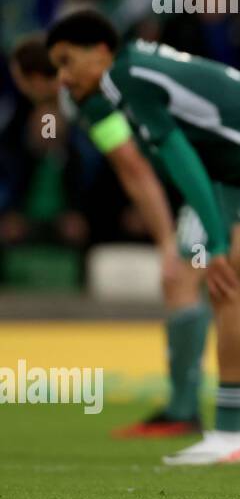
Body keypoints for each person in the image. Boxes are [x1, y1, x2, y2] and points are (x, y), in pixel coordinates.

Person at [46, 9, 240, 466]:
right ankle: (238, 435)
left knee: (228, 284)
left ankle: (232, 436)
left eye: (67, 62)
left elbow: (183, 161)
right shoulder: (133, 68)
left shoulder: (127, 79)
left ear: (100, 52)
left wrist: (218, 244)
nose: (62, 78)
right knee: (234, 290)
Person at [10, 33, 208, 438]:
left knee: (186, 279)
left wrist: (165, 238)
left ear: (34, 78)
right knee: (187, 284)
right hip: (191, 176)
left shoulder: (86, 101)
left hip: (203, 177)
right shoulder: (83, 100)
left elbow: (133, 168)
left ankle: (193, 412)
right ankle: (184, 408)